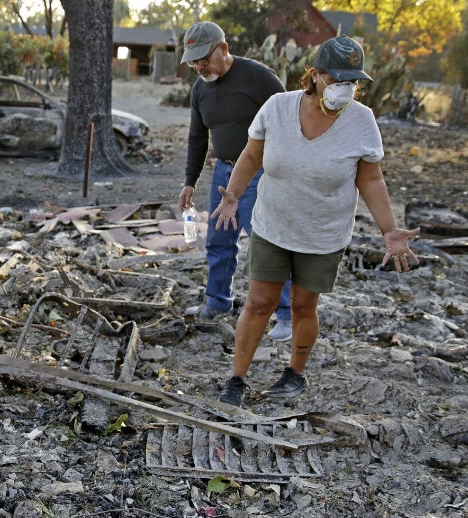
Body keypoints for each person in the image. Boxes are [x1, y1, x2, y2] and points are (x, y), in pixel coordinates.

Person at [211, 35, 420, 405]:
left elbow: (371, 178)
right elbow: (250, 156)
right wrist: (232, 195)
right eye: (336, 79)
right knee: (259, 302)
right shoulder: (277, 107)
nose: (344, 89)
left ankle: (295, 374)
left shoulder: (361, 120)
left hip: (323, 233)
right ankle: (236, 379)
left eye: (352, 82)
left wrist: (390, 230)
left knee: (304, 305)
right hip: (273, 224)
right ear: (314, 75)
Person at [177, 21, 292, 341]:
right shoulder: (199, 90)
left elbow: (289, 121)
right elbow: (197, 139)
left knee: (268, 244)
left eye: (204, 58)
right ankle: (217, 301)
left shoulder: (257, 78)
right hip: (223, 174)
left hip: (261, 173)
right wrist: (190, 181)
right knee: (219, 238)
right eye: (193, 61)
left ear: (223, 49)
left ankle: (286, 314)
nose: (199, 67)